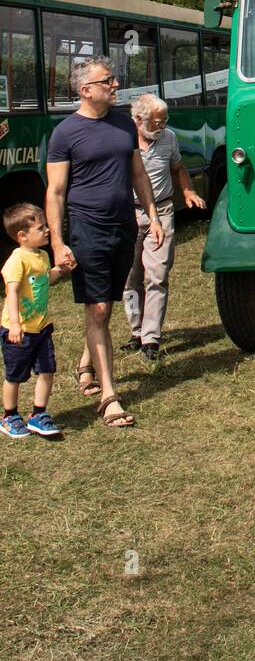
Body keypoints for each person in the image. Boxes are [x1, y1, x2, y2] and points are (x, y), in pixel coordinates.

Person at [45, 57, 164, 429]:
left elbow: (138, 172)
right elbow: (56, 193)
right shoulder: (65, 133)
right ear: (86, 90)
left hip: (124, 228)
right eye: (107, 80)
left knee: (105, 306)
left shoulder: (123, 124)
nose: (115, 85)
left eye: (113, 79)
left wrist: (154, 215)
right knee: (97, 309)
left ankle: (86, 363)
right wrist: (58, 244)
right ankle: (110, 398)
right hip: (87, 231)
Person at [121, 93, 206, 361]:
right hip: (129, 214)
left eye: (164, 120)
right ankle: (136, 331)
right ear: (138, 120)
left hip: (163, 211)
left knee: (157, 275)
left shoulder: (168, 138)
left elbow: (178, 168)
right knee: (130, 279)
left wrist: (189, 190)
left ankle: (151, 338)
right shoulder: (122, 140)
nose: (162, 126)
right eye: (157, 121)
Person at [1, 203, 74, 439]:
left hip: (42, 328)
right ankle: (9, 416)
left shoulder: (41, 255)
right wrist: (14, 324)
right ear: (22, 236)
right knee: (15, 375)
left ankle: (38, 414)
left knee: (47, 370)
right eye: (40, 228)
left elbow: (45, 279)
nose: (47, 230)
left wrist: (60, 270)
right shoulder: (17, 260)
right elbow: (11, 292)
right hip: (19, 330)